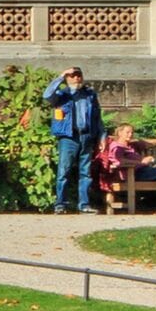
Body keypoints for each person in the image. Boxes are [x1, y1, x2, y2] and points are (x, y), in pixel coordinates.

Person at [41, 66, 103, 213]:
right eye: (72, 76)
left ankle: (84, 205)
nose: (76, 78)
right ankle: (60, 204)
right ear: (67, 79)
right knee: (64, 172)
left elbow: (97, 118)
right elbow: (46, 95)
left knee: (85, 173)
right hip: (68, 137)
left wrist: (102, 136)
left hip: (87, 136)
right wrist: (61, 76)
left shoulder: (90, 95)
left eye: (78, 75)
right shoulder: (62, 95)